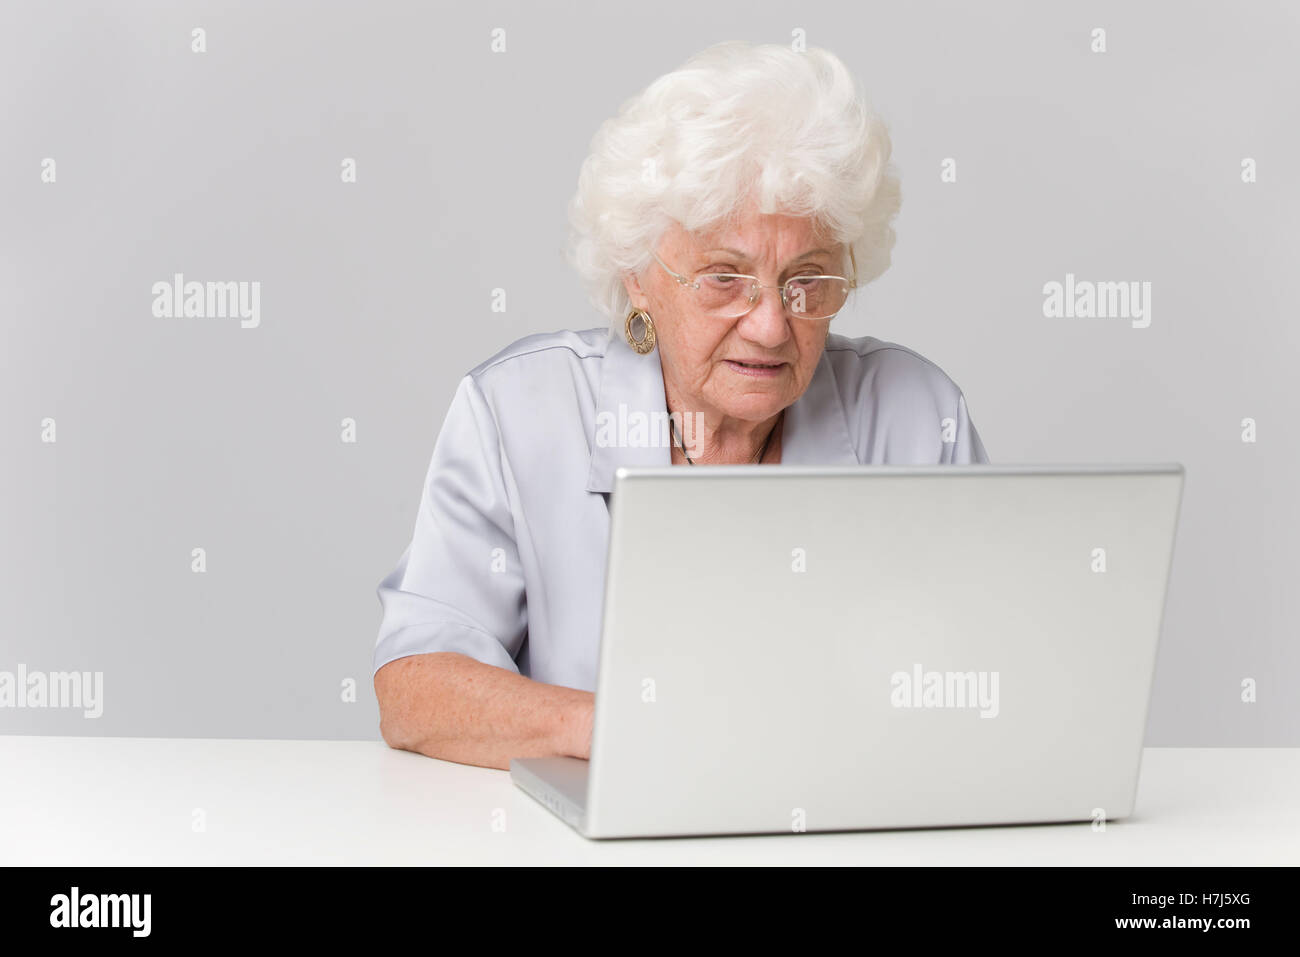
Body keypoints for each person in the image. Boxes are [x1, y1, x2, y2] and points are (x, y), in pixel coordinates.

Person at [373, 40, 989, 770]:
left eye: (807, 280)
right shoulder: (517, 413)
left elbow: (994, 679)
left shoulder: (918, 416)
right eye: (725, 278)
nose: (769, 324)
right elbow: (415, 687)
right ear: (640, 276)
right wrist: (626, 732)